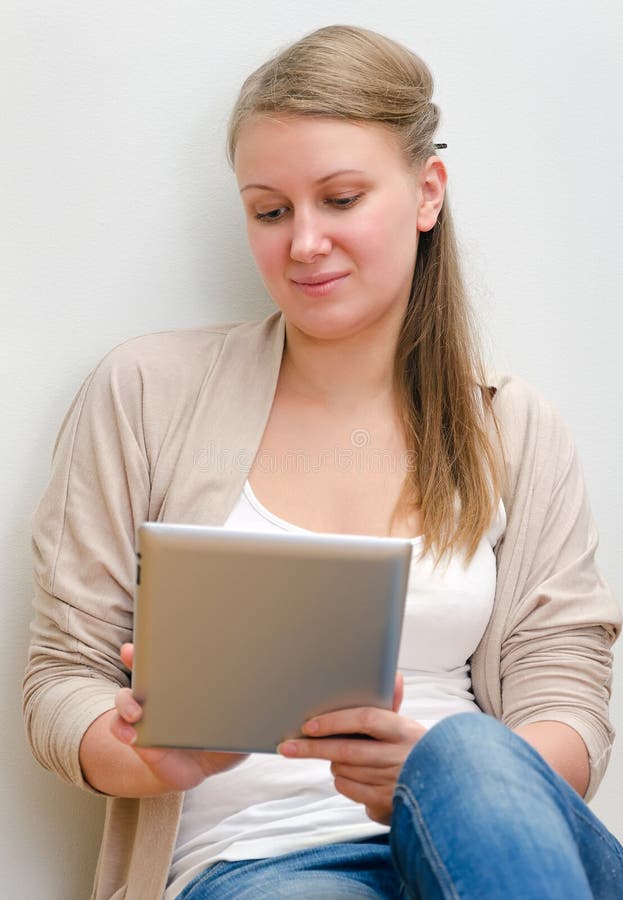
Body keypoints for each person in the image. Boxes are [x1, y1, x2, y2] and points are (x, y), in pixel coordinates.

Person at [23, 23, 622, 900]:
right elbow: (60, 678)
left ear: (426, 193)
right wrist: (150, 753)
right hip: (263, 865)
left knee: (462, 753)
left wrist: (431, 772)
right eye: (270, 211)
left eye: (340, 199)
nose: (303, 243)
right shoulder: (144, 392)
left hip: (493, 846)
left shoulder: (514, 425)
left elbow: (568, 698)